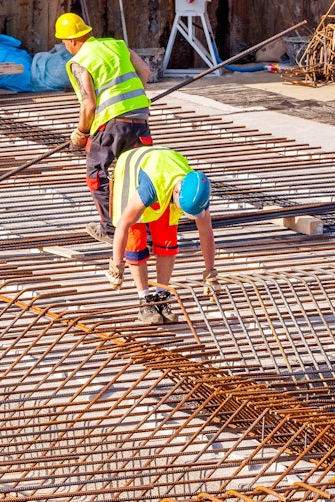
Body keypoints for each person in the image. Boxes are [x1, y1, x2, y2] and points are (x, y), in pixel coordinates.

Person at [55, 12, 154, 244]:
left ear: (72, 40)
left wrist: (80, 134)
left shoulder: (80, 60)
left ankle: (109, 228)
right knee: (138, 173)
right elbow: (145, 72)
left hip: (113, 124)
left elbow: (89, 105)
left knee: (96, 173)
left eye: (63, 42)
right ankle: (147, 232)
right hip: (140, 118)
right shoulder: (116, 44)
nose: (65, 46)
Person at [103, 146, 218, 325]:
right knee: (136, 238)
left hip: (165, 178)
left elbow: (206, 232)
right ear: (177, 192)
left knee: (167, 240)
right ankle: (144, 301)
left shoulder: (197, 191)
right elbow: (124, 224)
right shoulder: (151, 187)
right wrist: (116, 265)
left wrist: (210, 273)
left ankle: (161, 296)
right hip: (132, 172)